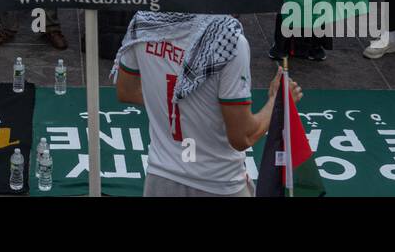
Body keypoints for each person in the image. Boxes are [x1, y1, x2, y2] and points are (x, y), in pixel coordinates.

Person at [113, 12, 301, 197]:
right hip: (218, 183)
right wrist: (278, 101)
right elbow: (242, 136)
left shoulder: (144, 24)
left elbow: (127, 91)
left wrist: (178, 105)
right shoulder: (229, 39)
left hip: (161, 179)